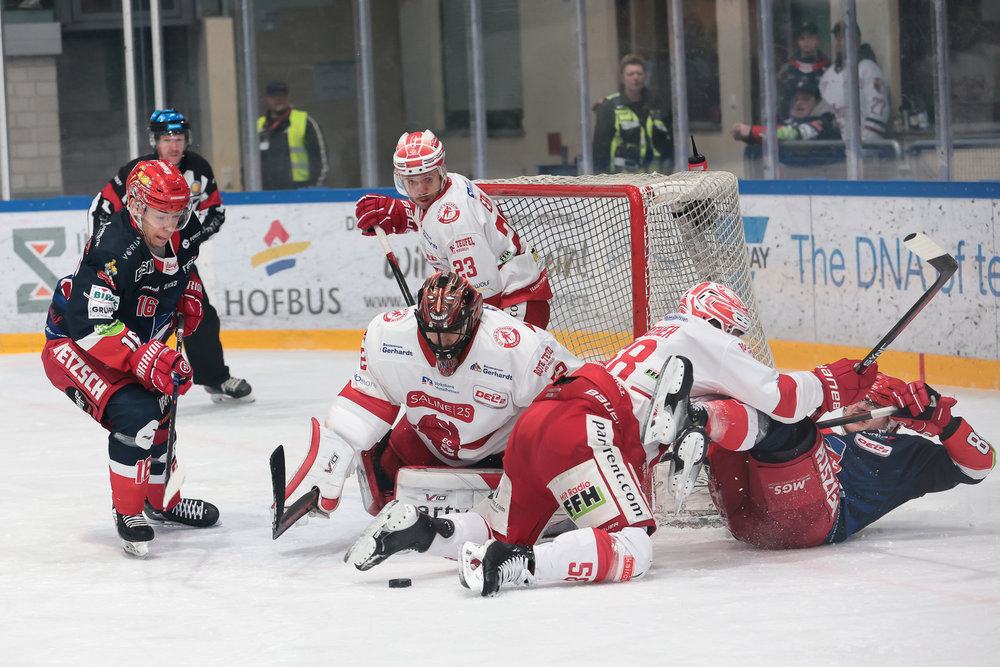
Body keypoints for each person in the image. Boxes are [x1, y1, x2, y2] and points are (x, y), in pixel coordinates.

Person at [340, 282, 870, 596]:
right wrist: (840, 379)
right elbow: (784, 398)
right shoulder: (707, 337)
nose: (738, 347)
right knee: (633, 548)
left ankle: (422, 529)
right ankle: (520, 567)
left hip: (540, 421)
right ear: (724, 325)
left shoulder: (663, 334)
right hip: (586, 431)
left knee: (501, 526)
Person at [648, 285, 995, 550]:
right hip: (743, 513)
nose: (859, 408)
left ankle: (696, 417)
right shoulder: (829, 435)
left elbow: (979, 466)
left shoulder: (906, 454)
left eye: (873, 404)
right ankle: (687, 421)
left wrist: (945, 423)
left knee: (791, 426)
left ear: (893, 419)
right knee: (755, 409)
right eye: (858, 401)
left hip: (807, 519)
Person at [276, 270, 582, 525]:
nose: (440, 344)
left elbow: (572, 401)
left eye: (450, 333)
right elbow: (366, 401)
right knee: (381, 482)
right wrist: (329, 463)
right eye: (431, 333)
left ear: (473, 321)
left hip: (501, 449)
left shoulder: (520, 348)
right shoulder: (389, 335)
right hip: (429, 438)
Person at [43, 160, 220, 557]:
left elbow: (183, 266)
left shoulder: (184, 228)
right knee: (138, 414)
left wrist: (188, 292)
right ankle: (128, 512)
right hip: (74, 343)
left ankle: (162, 502)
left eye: (178, 214)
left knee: (161, 413)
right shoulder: (112, 248)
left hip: (131, 339)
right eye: (161, 216)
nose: (170, 225)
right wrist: (142, 355)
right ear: (137, 208)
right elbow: (90, 323)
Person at [88, 109, 253, 404]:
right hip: (136, 260)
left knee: (199, 312)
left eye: (179, 138)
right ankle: (130, 381)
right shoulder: (137, 172)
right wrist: (105, 251)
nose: (174, 146)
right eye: (167, 139)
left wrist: (189, 242)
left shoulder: (198, 169)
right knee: (137, 316)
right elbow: (100, 208)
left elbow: (215, 212)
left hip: (177, 259)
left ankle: (214, 378)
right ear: (155, 141)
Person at [354, 130, 553, 328]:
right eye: (411, 182)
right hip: (515, 292)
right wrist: (401, 212)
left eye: (427, 180)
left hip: (514, 303)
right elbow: (435, 219)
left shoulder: (457, 225)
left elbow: (485, 295)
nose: (421, 190)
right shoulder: (451, 183)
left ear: (441, 172)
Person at [592, 53, 673, 174]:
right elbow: (600, 150)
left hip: (656, 179)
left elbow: (670, 143)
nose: (635, 78)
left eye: (639, 73)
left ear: (646, 76)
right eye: (630, 74)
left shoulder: (658, 105)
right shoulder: (609, 106)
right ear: (622, 78)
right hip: (621, 180)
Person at [819, 21, 891, 140]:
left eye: (843, 37)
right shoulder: (827, 75)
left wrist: (864, 145)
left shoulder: (868, 69)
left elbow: (878, 113)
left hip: (862, 147)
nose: (839, 41)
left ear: (857, 40)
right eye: (837, 37)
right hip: (834, 147)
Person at [257, 80, 328, 190]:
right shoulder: (259, 125)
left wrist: (314, 186)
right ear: (267, 98)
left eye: (282, 95)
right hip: (265, 190)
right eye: (274, 96)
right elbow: (248, 160)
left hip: (299, 189)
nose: (278, 99)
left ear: (288, 97)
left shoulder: (304, 121)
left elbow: (320, 157)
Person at [731, 76, 840, 144]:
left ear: (817, 103)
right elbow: (769, 136)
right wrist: (746, 135)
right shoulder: (788, 122)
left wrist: (752, 131)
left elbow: (791, 133)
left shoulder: (823, 123)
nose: (799, 103)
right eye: (796, 99)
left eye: (805, 99)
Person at [777, 21, 830, 119]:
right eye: (802, 38)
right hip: (792, 120)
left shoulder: (828, 69)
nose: (806, 41)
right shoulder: (787, 70)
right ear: (798, 42)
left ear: (817, 40)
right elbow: (783, 100)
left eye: (810, 37)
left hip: (820, 120)